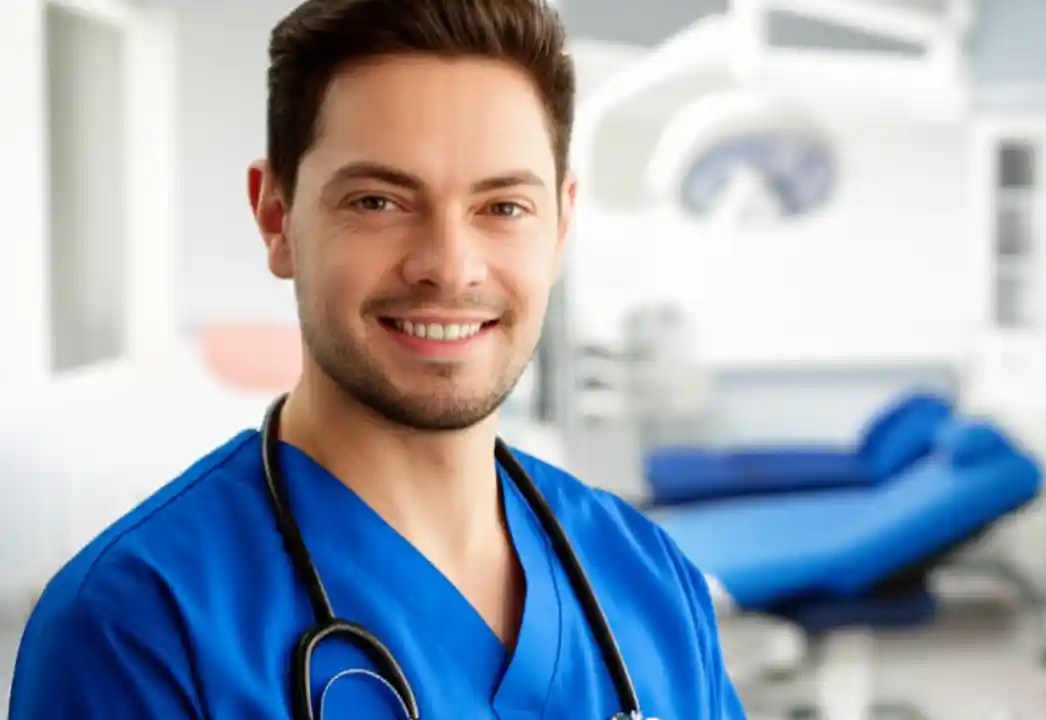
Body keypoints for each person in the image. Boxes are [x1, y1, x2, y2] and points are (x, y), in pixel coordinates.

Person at [7, 1, 747, 717]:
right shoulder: (138, 630)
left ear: (560, 224)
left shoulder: (651, 584)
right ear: (276, 218)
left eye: (503, 207)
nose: (449, 267)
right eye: (378, 202)